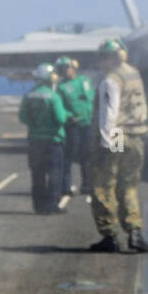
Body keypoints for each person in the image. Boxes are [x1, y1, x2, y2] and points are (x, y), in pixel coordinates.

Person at [90, 39, 148, 253]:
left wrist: (106, 143)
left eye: (102, 58)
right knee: (129, 185)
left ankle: (110, 236)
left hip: (116, 135)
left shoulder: (111, 80)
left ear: (109, 58)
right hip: (136, 136)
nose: (100, 63)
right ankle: (135, 233)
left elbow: (109, 113)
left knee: (104, 185)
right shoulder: (134, 73)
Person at [18, 62, 70, 214]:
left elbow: (22, 117)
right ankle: (52, 204)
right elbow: (60, 118)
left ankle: (39, 205)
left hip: (35, 140)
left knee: (37, 173)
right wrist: (67, 115)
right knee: (55, 173)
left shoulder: (28, 96)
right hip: (53, 141)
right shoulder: (53, 97)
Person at [55, 56, 95, 203]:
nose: (66, 71)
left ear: (73, 67)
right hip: (73, 126)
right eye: (62, 69)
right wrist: (69, 116)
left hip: (88, 124)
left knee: (88, 155)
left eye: (67, 67)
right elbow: (60, 107)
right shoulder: (61, 87)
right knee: (69, 156)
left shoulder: (85, 81)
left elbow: (90, 98)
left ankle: (87, 185)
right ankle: (66, 186)